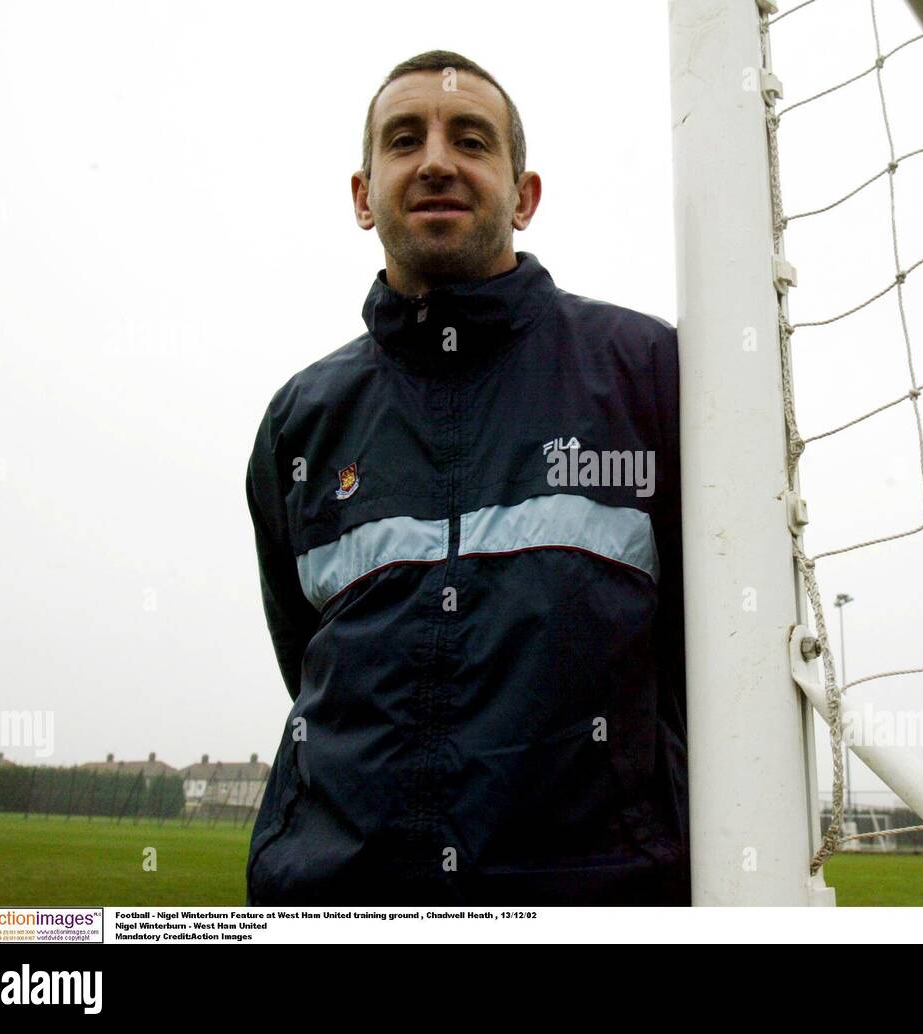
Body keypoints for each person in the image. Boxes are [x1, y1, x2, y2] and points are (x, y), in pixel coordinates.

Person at [242, 51, 689, 906]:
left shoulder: (647, 373)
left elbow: (705, 657)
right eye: (403, 140)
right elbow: (305, 660)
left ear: (523, 196)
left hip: (601, 899)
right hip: (334, 898)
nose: (437, 160)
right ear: (363, 196)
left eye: (471, 140)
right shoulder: (302, 417)